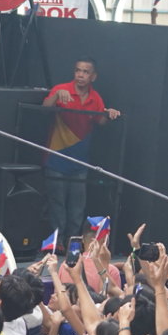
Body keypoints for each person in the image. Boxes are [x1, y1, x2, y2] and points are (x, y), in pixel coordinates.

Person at [41, 58, 121, 247]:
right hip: (56, 158)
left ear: (93, 76)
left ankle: (72, 242)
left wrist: (109, 114)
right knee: (57, 205)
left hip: (80, 163)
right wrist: (56, 96)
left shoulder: (96, 98)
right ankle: (56, 242)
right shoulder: (62, 89)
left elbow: (100, 121)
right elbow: (44, 109)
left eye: (85, 72)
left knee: (77, 207)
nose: (80, 75)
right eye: (77, 71)